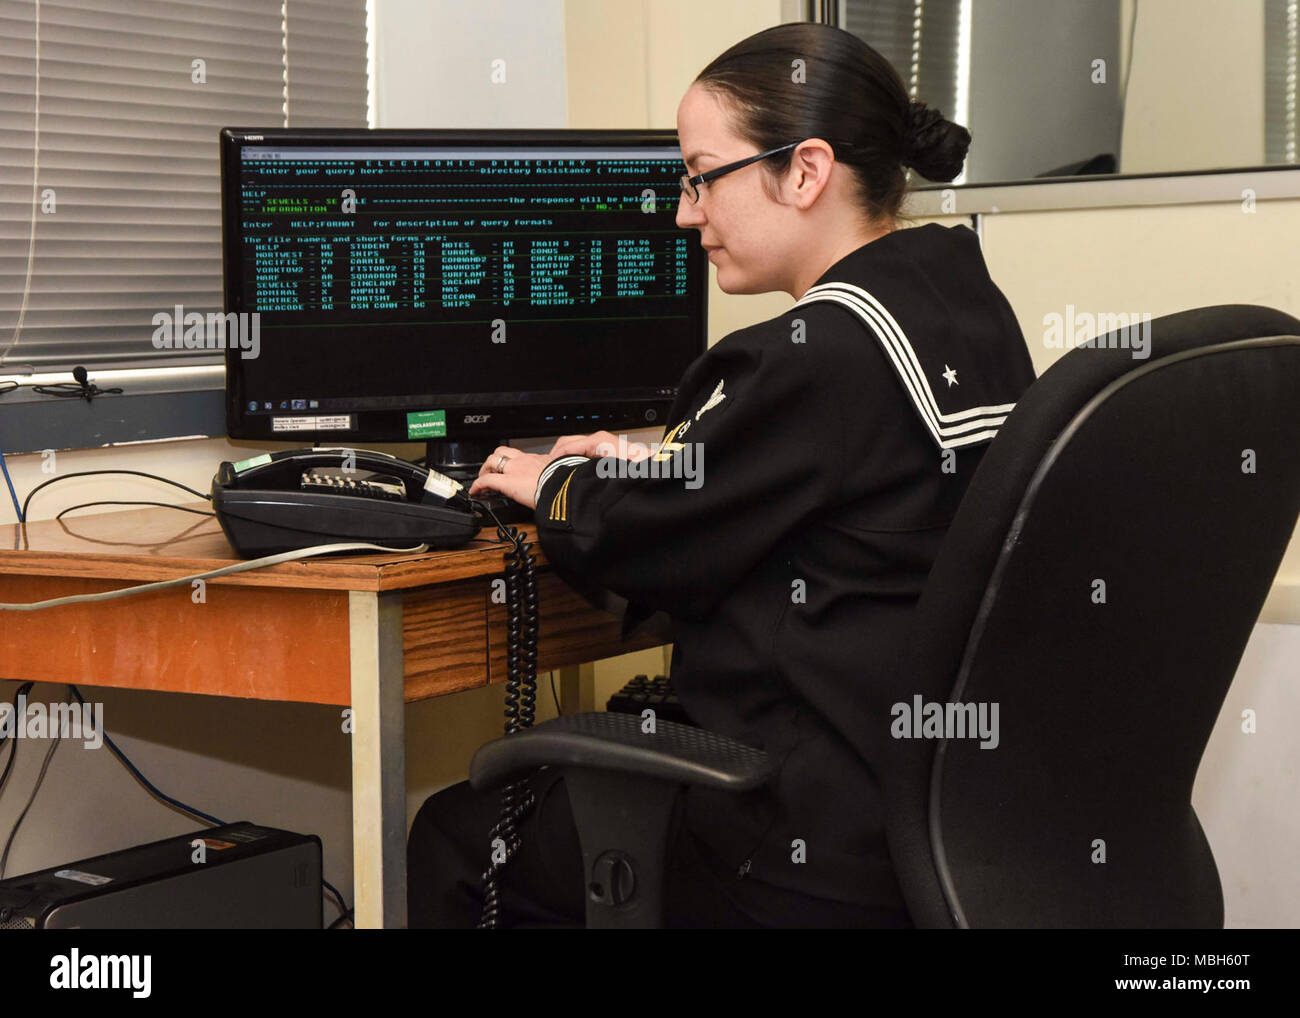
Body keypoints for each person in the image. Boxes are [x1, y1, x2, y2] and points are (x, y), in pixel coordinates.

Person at [407, 21, 1036, 929]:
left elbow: (638, 542)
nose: (684, 212)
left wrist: (553, 484)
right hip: (939, 817)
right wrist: (658, 464)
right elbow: (820, 486)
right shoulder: (963, 308)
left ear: (806, 171)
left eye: (702, 176)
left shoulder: (810, 354)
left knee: (458, 837)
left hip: (799, 832)